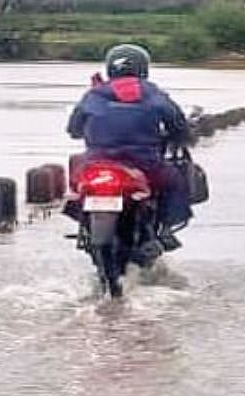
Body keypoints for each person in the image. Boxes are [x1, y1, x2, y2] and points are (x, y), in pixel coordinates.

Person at [67, 44, 191, 251]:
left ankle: (84, 225)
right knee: (175, 181)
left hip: (97, 161)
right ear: (143, 67)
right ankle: (166, 231)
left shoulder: (95, 94)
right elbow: (177, 123)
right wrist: (180, 136)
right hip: (144, 163)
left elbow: (73, 129)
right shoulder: (153, 93)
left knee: (77, 176)